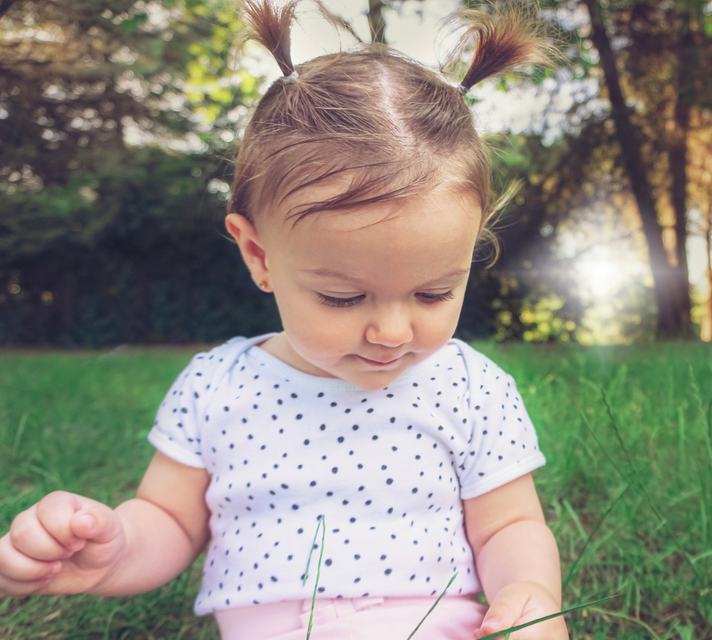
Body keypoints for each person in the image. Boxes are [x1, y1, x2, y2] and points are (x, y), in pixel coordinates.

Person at [0, 1, 568, 638]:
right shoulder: (217, 387)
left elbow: (510, 526)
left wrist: (528, 594)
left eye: (434, 293)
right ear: (258, 254)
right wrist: (112, 550)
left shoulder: (471, 387)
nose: (392, 332)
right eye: (343, 298)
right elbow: (171, 520)